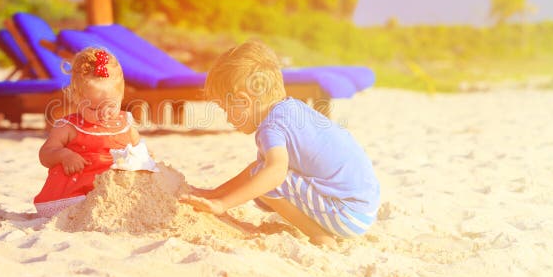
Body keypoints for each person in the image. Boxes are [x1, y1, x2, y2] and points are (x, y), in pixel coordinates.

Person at [181, 41, 380, 245]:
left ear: (243, 100)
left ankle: (320, 236)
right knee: (262, 173)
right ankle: (320, 229)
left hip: (347, 215)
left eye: (225, 108)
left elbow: (274, 173)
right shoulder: (291, 109)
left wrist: (222, 205)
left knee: (268, 180)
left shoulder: (271, 127)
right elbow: (257, 169)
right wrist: (216, 194)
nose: (227, 118)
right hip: (364, 206)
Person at [35, 47, 140, 217]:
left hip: (115, 190)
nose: (103, 113)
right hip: (76, 194)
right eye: (93, 108)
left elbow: (138, 149)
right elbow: (45, 154)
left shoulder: (125, 123)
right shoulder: (68, 126)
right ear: (77, 98)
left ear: (121, 95)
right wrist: (64, 155)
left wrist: (145, 159)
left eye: (111, 106)